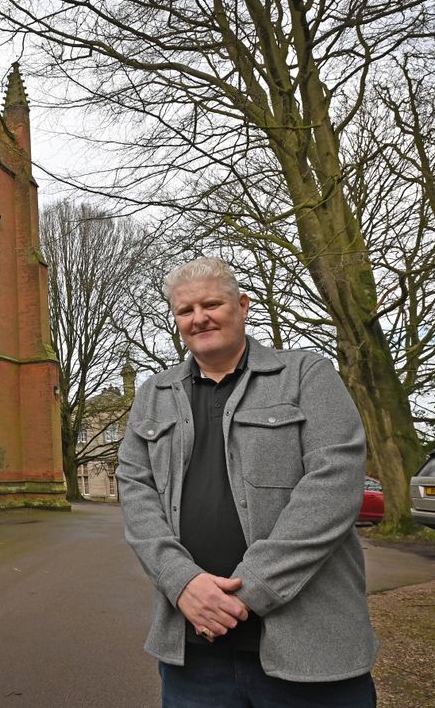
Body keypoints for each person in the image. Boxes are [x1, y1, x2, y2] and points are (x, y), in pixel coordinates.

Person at [117, 257, 378, 707]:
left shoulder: (306, 374)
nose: (199, 318)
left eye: (212, 304)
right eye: (185, 310)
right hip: (195, 657)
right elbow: (135, 491)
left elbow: (334, 485)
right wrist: (180, 582)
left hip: (310, 656)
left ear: (242, 305)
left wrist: (248, 591)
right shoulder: (153, 395)